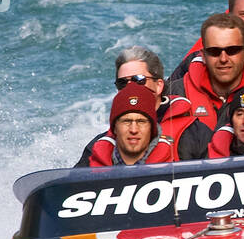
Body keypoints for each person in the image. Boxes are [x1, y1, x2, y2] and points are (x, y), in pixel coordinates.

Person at [74, 46, 210, 166]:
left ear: (159, 85)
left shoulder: (195, 133)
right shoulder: (99, 146)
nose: (130, 87)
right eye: (122, 83)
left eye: (139, 80)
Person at [164, 13, 244, 123]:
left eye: (232, 50)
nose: (223, 59)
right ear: (203, 55)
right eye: (214, 51)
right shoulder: (173, 95)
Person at [87, 82, 176, 166]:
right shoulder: (91, 158)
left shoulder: (176, 168)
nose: (134, 130)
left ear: (152, 128)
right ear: (114, 128)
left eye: (141, 122)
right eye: (126, 121)